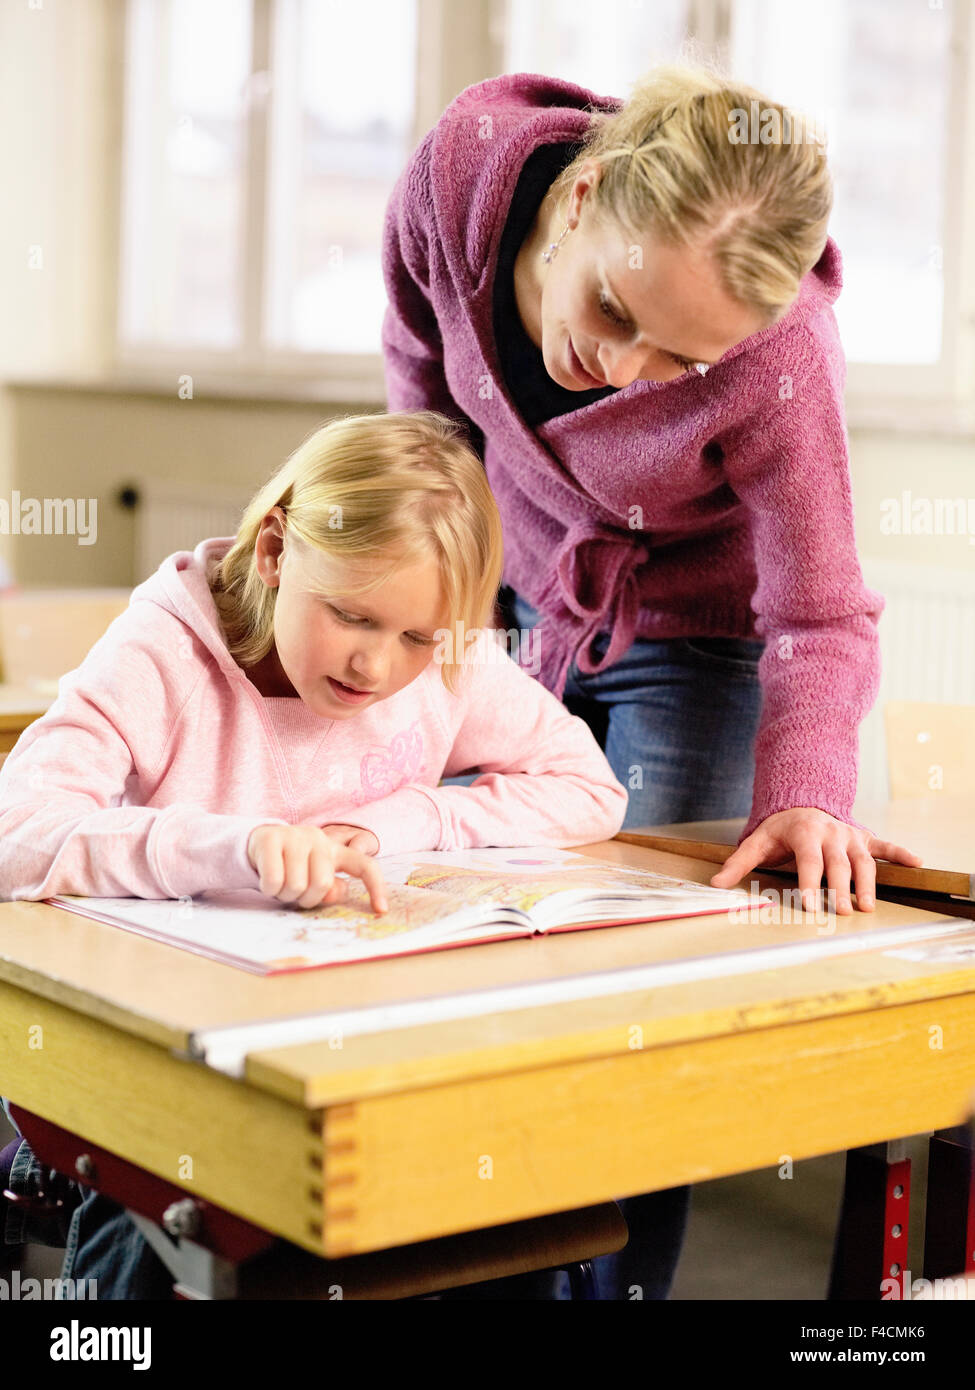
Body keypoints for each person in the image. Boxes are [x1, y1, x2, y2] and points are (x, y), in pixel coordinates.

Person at [381, 59, 922, 1299]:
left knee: (627, 991)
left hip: (695, 640)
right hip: (514, 599)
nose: (624, 372)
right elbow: (419, 393)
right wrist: (430, 604)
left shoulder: (784, 356)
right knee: (464, 933)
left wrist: (807, 784)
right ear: (582, 199)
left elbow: (821, 611)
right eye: (617, 313)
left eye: (679, 361)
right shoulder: (457, 170)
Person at [0, 408, 628, 1297]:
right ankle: (47, 1163)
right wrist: (239, 847)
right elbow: (15, 833)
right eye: (350, 616)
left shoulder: (440, 657)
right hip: (182, 1054)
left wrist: (398, 821)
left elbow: (591, 789)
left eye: (414, 637)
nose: (377, 666)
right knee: (177, 1197)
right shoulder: (166, 652)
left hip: (362, 1044)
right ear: (272, 553)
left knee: (507, 1182)